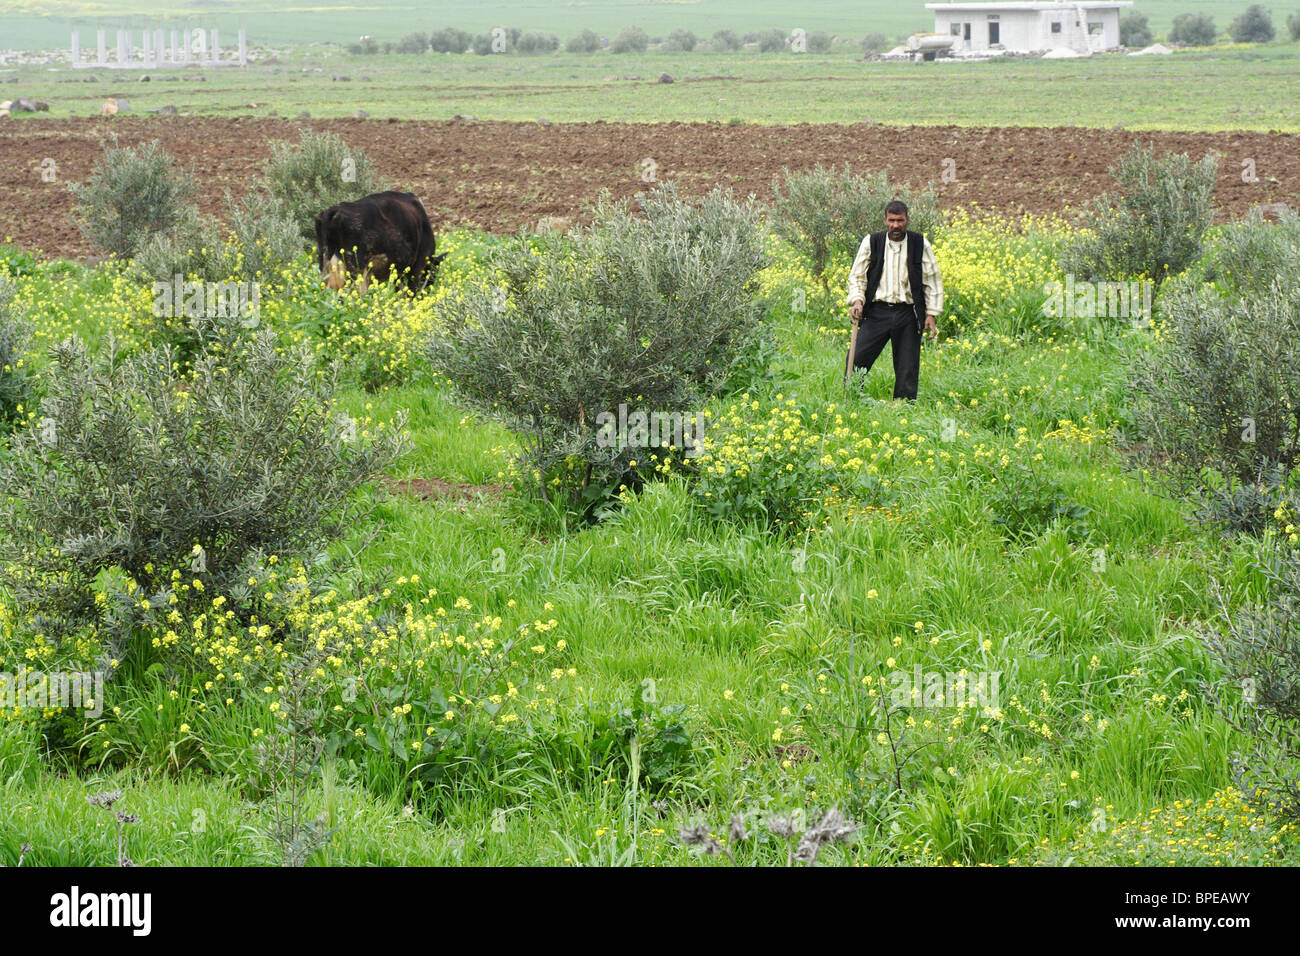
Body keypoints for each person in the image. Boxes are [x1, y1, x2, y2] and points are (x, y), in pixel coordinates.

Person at [846, 201, 943, 401]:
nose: (896, 225)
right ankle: (853, 400)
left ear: (907, 220)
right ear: (885, 220)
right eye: (892, 220)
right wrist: (857, 301)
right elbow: (857, 276)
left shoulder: (920, 244)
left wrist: (931, 314)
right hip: (876, 313)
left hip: (908, 314)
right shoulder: (871, 242)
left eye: (900, 220)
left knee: (907, 367)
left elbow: (932, 280)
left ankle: (904, 409)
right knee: (857, 359)